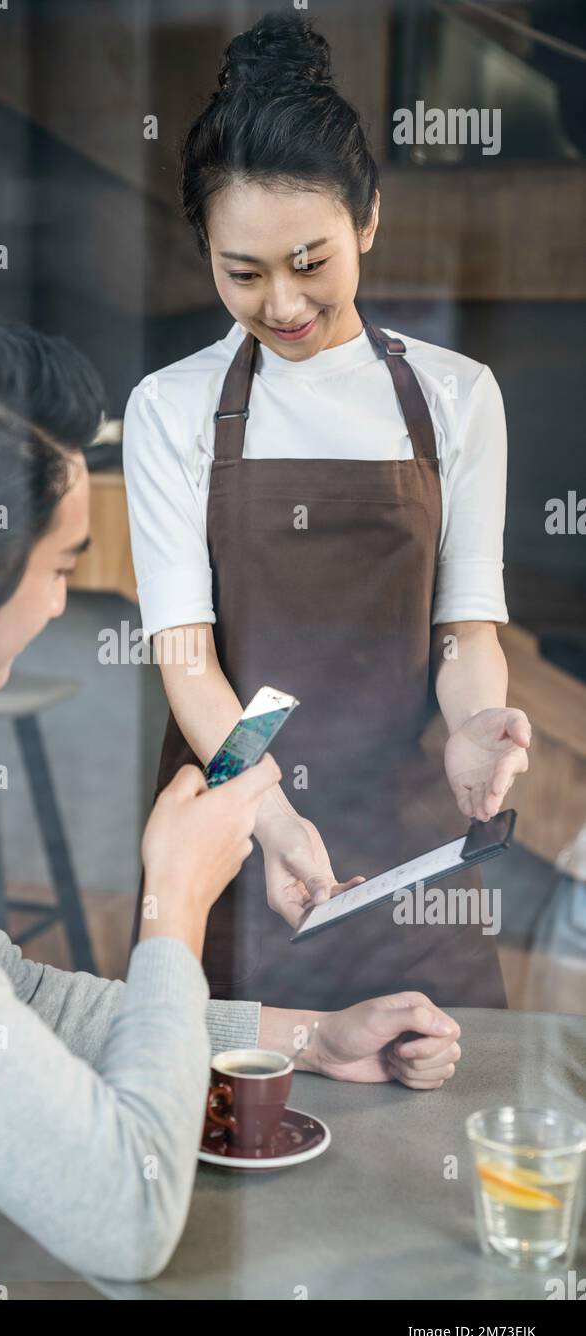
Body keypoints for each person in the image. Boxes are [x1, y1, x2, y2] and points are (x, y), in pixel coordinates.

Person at [0, 311, 463, 1299]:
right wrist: (174, 906)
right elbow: (127, 1213)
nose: (65, 603)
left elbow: (15, 1002)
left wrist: (305, 1037)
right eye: (63, 567)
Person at [123, 13, 530, 1011]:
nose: (283, 303)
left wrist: (476, 723)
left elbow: (464, 630)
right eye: (242, 272)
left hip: (407, 834)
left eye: (311, 260)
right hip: (237, 827)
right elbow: (188, 662)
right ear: (205, 252)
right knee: (231, 1121)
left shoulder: (456, 397)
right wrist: (272, 820)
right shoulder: (172, 409)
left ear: (368, 221)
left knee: (429, 1106)